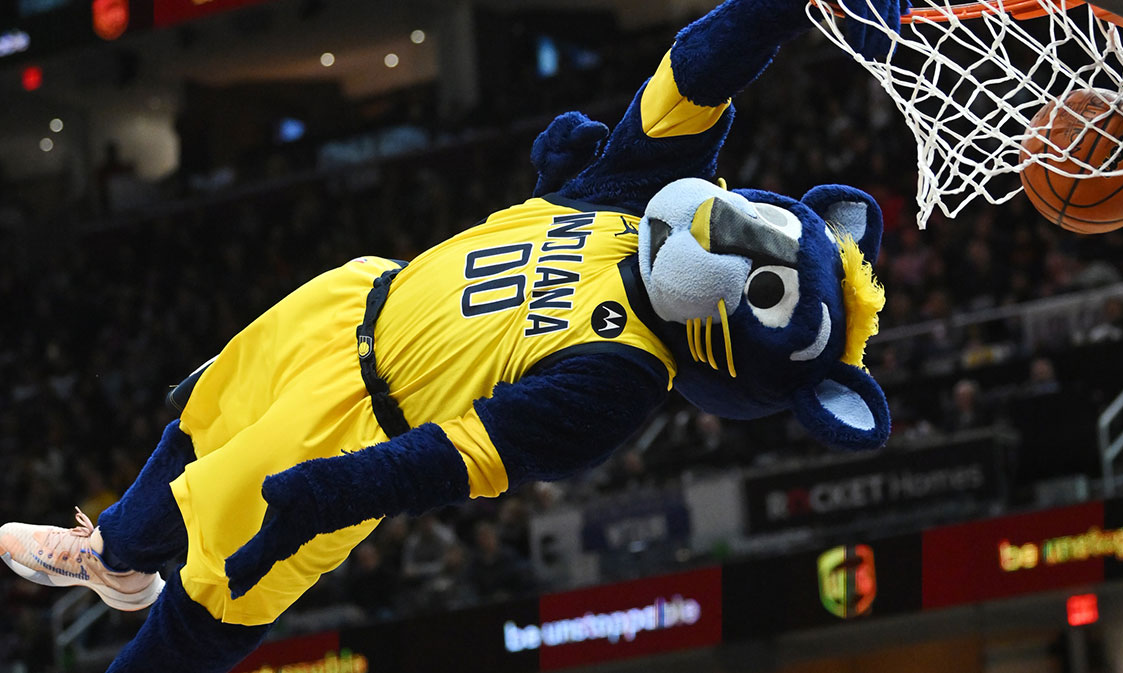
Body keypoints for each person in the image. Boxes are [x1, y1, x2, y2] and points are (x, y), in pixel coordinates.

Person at [0, 1, 901, 671]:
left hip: (353, 425)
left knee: (212, 597)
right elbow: (698, 70)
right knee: (201, 418)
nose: (728, 233)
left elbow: (451, 457)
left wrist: (327, 492)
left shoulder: (619, 378)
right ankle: (113, 557)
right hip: (354, 299)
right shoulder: (636, 189)